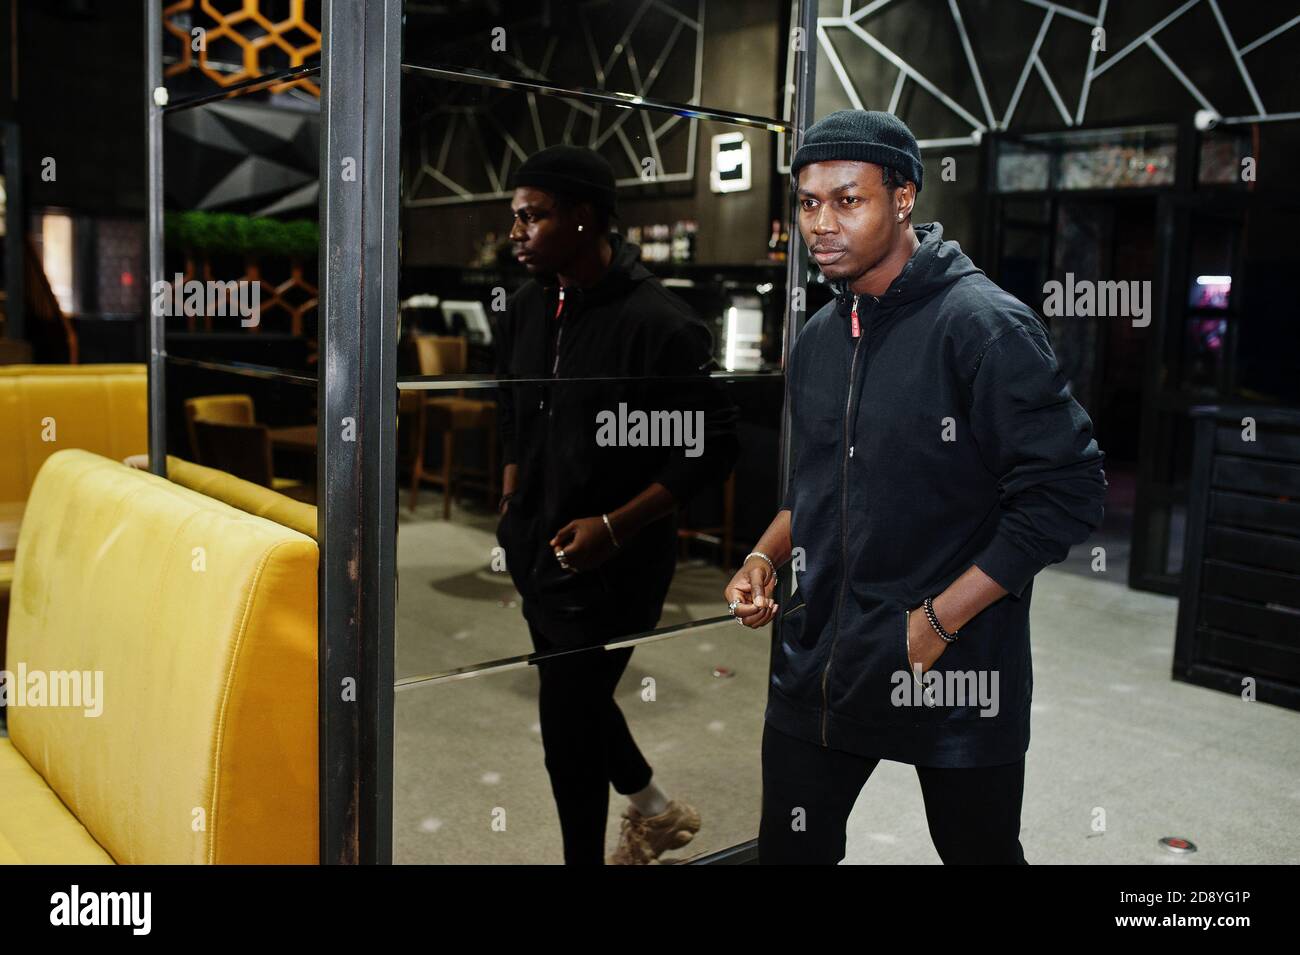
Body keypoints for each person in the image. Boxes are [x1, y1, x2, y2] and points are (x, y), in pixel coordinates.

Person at [724, 110, 1107, 864]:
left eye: (847, 199)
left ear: (904, 198)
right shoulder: (820, 339)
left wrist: (934, 621)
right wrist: (764, 556)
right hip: (821, 663)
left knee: (980, 854)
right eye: (807, 202)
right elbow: (819, 482)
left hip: (951, 664)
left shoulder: (985, 326)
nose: (821, 223)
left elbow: (1068, 492)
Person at [494, 145, 740, 865]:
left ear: (585, 219)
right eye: (515, 216)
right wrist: (512, 498)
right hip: (535, 548)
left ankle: (613, 842)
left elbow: (713, 445)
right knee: (577, 700)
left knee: (567, 723)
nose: (517, 231)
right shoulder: (524, 307)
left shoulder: (659, 322)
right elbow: (512, 405)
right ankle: (658, 811)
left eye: (532, 215)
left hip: (617, 565)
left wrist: (614, 524)